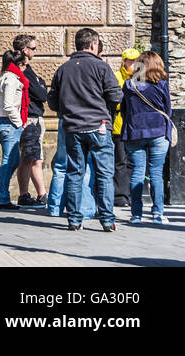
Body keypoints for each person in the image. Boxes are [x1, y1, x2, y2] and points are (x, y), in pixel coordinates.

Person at [48, 27, 122, 231]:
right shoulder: (101, 67)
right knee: (104, 174)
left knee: (74, 172)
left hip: (73, 127)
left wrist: (69, 110)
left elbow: (52, 102)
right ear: (93, 45)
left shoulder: (63, 69)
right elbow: (116, 96)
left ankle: (74, 219)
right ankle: (107, 220)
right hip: (99, 126)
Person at [123, 50, 173, 225]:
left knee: (137, 171)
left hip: (135, 132)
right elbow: (168, 110)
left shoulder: (130, 85)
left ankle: (136, 214)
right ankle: (158, 213)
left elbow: (124, 110)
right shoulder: (162, 84)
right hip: (158, 131)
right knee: (156, 173)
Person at [13, 35, 48, 206]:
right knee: (29, 158)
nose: (35, 51)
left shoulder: (26, 70)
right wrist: (40, 84)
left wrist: (40, 84)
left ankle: (41, 194)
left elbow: (42, 89)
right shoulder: (23, 71)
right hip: (30, 120)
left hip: (33, 119)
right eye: (33, 48)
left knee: (35, 158)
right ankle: (25, 194)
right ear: (25, 50)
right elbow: (42, 94)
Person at [0, 49, 28, 210]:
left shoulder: (1, 76)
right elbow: (8, 105)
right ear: (18, 64)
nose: (25, 68)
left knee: (13, 160)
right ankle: (3, 198)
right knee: (9, 161)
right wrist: (19, 122)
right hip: (9, 123)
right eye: (24, 65)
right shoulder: (12, 79)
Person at [111, 47, 142, 210]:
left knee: (134, 162)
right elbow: (113, 99)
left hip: (137, 126)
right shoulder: (117, 77)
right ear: (124, 62)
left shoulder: (141, 78)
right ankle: (120, 196)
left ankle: (131, 193)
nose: (133, 64)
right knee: (120, 161)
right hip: (120, 125)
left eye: (136, 61)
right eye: (130, 61)